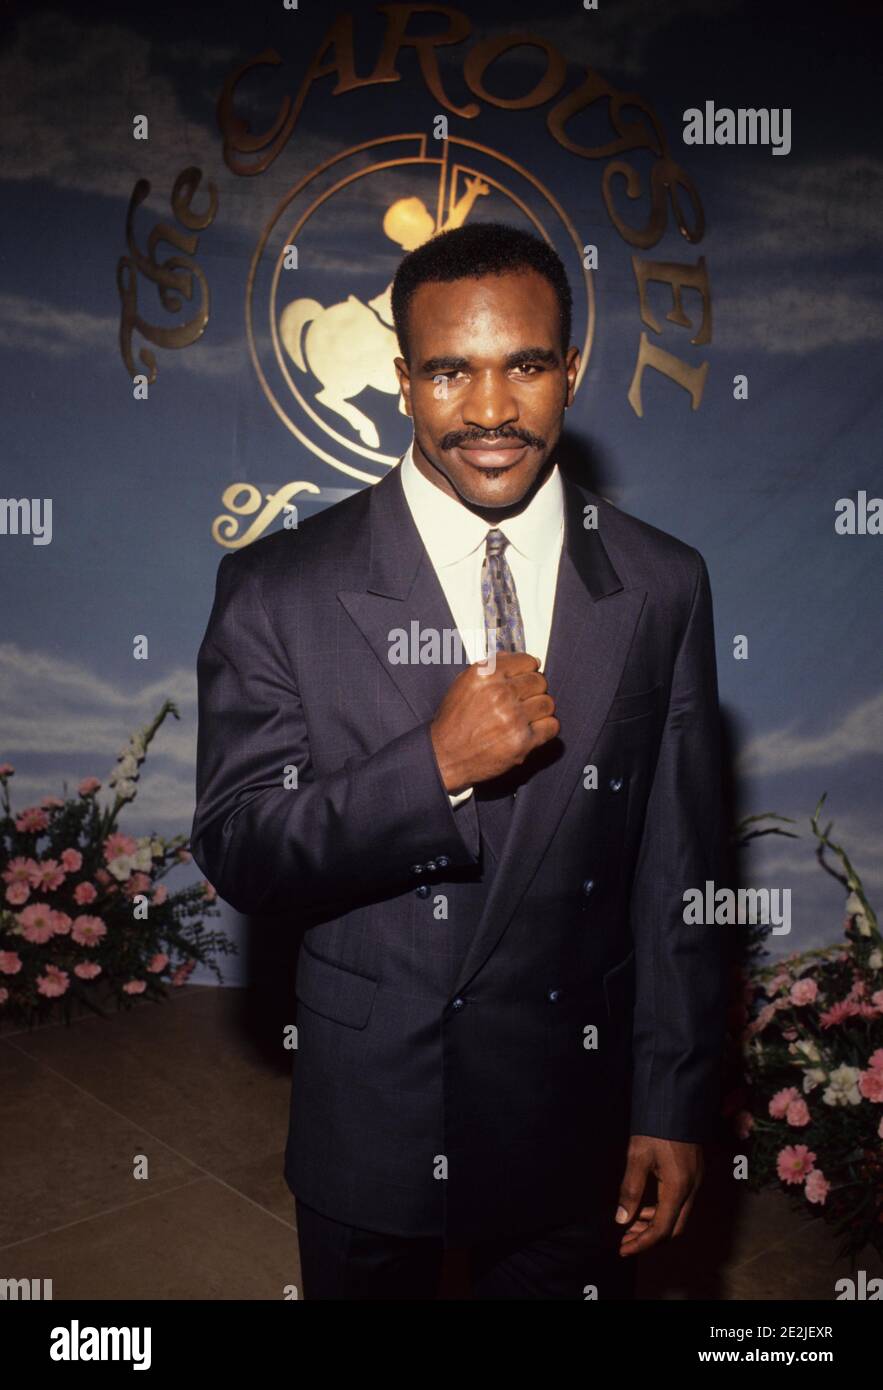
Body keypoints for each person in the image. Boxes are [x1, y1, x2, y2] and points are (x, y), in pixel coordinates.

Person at [190, 221, 728, 1300]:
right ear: (400, 379)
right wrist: (430, 765)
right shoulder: (278, 588)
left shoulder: (662, 581)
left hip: (573, 1105)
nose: (490, 410)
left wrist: (670, 1102)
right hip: (373, 1114)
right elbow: (242, 848)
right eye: (450, 371)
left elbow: (681, 877)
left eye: (524, 365)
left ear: (570, 370)